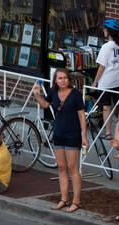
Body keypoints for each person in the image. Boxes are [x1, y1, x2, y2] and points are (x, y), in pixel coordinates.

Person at [33, 69, 86, 214]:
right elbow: (45, 104)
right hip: (58, 133)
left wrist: (84, 136)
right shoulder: (52, 92)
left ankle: (76, 200)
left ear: (69, 79)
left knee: (72, 167)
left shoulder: (75, 95)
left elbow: (81, 115)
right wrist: (37, 94)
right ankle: (64, 198)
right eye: (60, 78)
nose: (63, 81)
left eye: (65, 78)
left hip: (73, 134)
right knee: (61, 167)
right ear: (55, 80)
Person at [91, 18, 119, 119]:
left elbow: (102, 67)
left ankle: (108, 133)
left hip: (106, 82)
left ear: (109, 32)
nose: (103, 31)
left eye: (105, 29)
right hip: (118, 80)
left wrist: (95, 82)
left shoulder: (106, 47)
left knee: (106, 107)